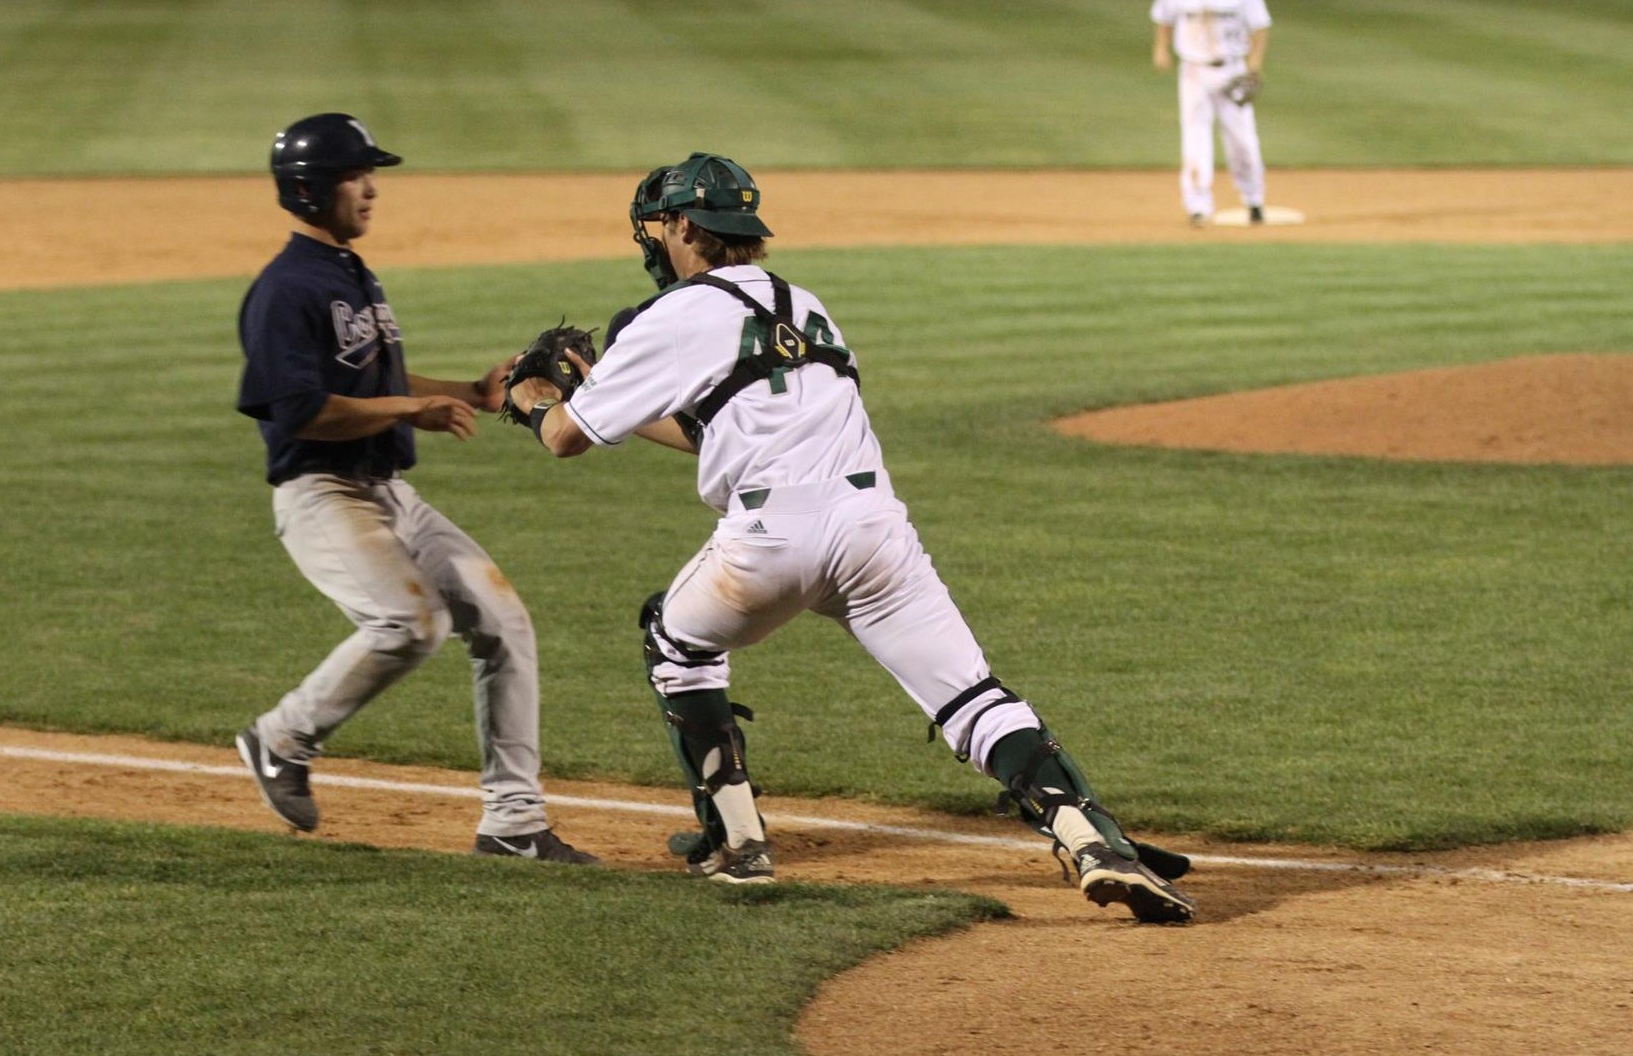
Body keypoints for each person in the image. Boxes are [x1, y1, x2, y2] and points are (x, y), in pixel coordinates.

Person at [503, 153, 1195, 923]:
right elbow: (723, 431)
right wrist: (616, 396)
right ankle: (1094, 838)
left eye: (663, 224)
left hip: (769, 540)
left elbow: (566, 438)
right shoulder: (804, 304)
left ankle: (737, 845)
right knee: (970, 696)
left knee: (675, 641)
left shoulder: (674, 314)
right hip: (873, 532)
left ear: (687, 229)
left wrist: (537, 398)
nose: (656, 237)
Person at [232, 112, 596, 865]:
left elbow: (375, 378)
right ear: (308, 191)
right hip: (322, 494)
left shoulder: (349, 272)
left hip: (389, 494)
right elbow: (301, 411)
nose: (370, 189)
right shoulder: (283, 290)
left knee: (503, 622)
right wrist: (409, 409)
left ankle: (513, 822)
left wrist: (468, 389)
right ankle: (280, 739)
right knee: (408, 623)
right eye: (354, 177)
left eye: (370, 175)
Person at [1151, 0, 1273, 227]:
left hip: (1233, 70)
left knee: (1243, 140)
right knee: (1195, 138)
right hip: (1193, 71)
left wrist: (1254, 64)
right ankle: (1198, 206)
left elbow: (1260, 25)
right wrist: (1161, 48)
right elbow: (1164, 17)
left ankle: (1254, 200)